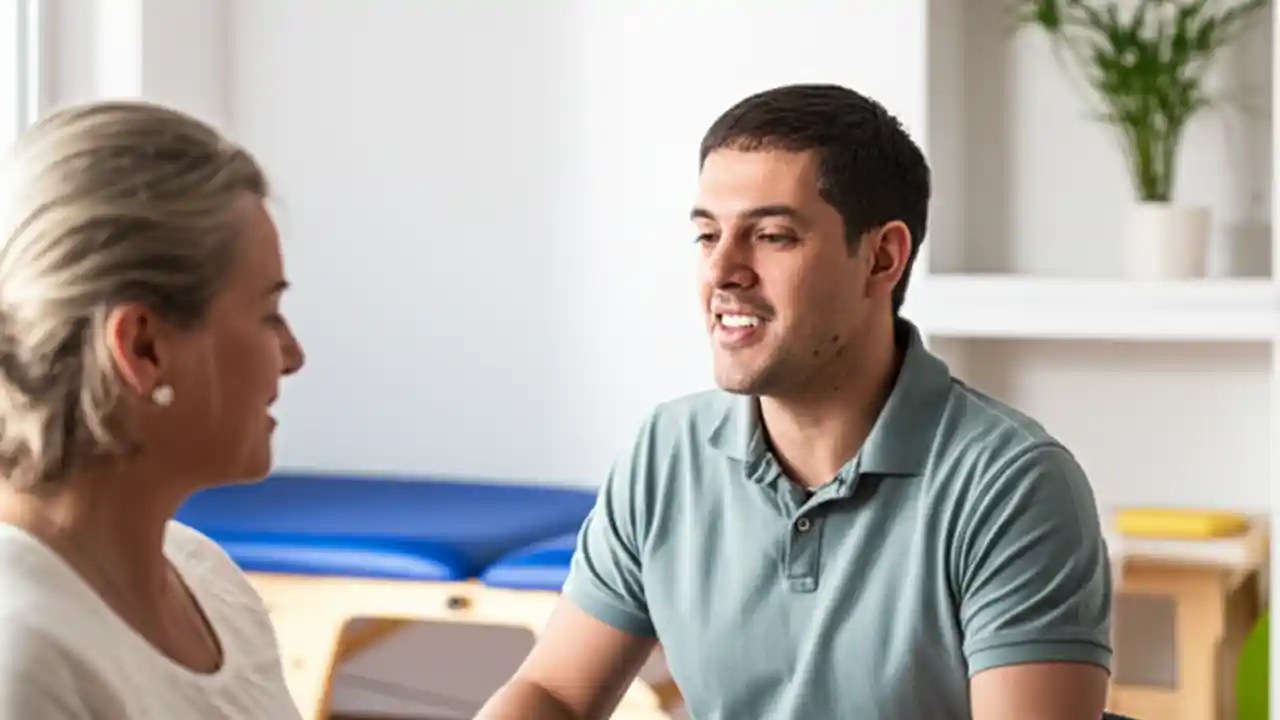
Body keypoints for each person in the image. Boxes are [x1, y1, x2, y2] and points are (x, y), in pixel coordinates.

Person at [478, 84, 1112, 719]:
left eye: (772, 236)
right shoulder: (667, 452)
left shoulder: (1012, 484)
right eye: (707, 236)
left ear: (881, 257)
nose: (723, 270)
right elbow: (554, 693)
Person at [0, 100, 306, 718]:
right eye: (268, 314)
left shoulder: (208, 581)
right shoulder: (23, 658)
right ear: (143, 347)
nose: (293, 355)